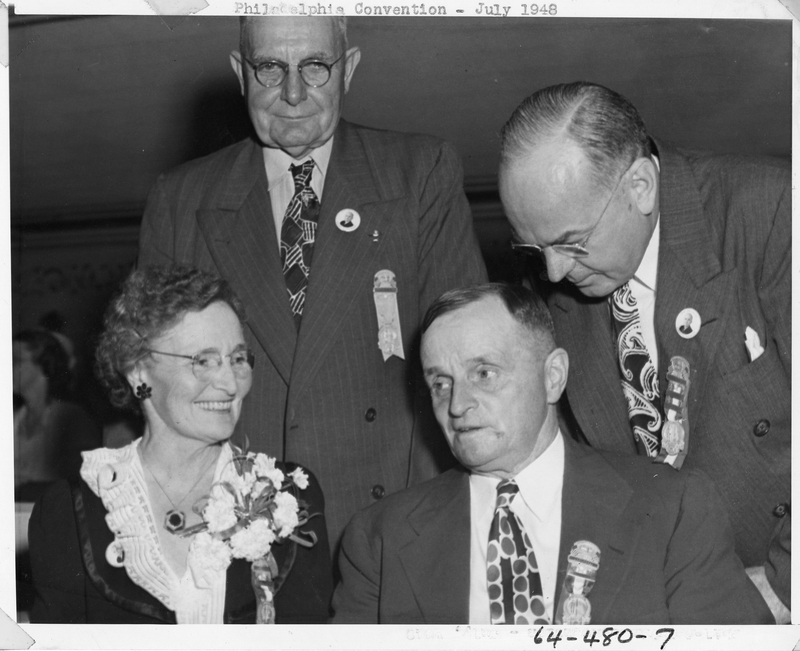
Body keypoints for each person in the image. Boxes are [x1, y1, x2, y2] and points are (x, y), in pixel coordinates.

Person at [137, 16, 488, 549]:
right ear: (240, 73)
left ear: (348, 70)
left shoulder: (419, 174)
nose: (294, 93)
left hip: (395, 522)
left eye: (316, 67)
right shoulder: (180, 199)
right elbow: (154, 388)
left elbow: (469, 367)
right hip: (237, 528)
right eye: (271, 68)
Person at [497, 82, 790, 623]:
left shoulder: (771, 211)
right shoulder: (554, 278)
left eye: (571, 242)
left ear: (641, 186)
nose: (554, 273)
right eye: (534, 250)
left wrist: (783, 588)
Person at [331, 284, 773, 624]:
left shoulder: (671, 509)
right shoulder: (380, 540)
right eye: (440, 383)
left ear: (553, 376)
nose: (457, 404)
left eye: (483, 373)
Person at [28, 265, 333, 624]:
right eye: (203, 361)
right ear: (139, 371)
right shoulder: (69, 510)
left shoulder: (290, 496)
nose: (230, 384)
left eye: (237, 359)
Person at [14, 328, 102, 501]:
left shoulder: (72, 419)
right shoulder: (16, 419)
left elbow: (82, 486)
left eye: (15, 360)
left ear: (45, 365)